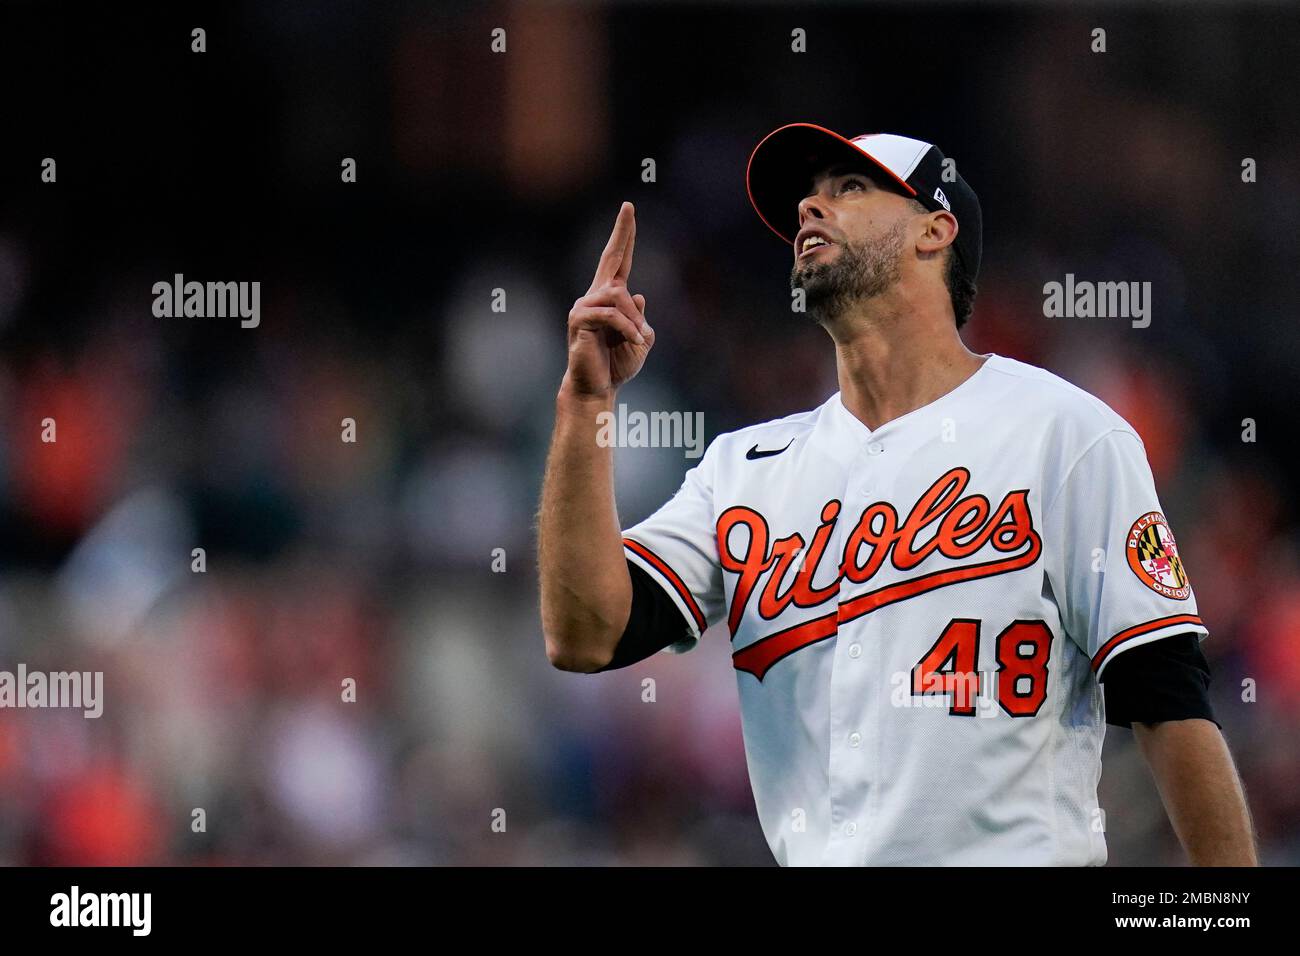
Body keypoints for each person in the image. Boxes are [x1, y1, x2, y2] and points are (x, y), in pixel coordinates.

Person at [537, 123, 1257, 866]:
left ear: (935, 230)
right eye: (806, 200)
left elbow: (1167, 699)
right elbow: (585, 633)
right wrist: (585, 401)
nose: (811, 210)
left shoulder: (1066, 435)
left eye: (849, 188)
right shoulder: (744, 468)